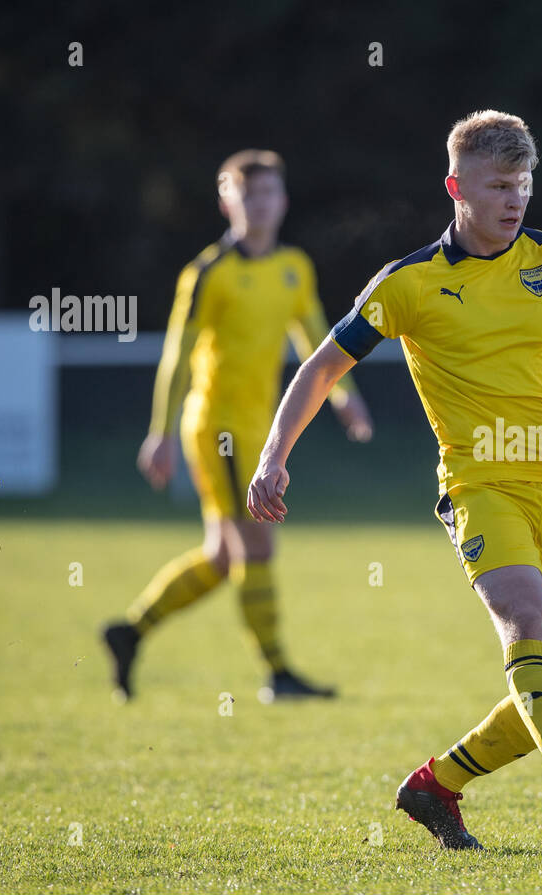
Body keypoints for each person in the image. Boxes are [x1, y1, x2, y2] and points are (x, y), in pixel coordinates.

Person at [247, 111, 542, 848]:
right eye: (500, 185)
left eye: (524, 184)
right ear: (456, 187)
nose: (516, 199)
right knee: (525, 623)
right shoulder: (409, 284)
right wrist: (275, 455)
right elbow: (322, 366)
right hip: (479, 485)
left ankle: (437, 786)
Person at [102, 150, 373, 702]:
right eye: (248, 195)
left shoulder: (295, 266)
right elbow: (177, 355)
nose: (260, 204)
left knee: (223, 557)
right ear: (227, 202)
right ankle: (278, 674)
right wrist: (160, 431)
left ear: (284, 201)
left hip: (263, 428)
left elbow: (317, 337)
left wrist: (346, 395)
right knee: (256, 543)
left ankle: (129, 632)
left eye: (269, 193)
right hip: (218, 428)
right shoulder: (208, 273)